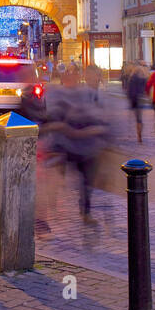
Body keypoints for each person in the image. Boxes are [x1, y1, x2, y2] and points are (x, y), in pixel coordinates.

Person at [43, 64, 111, 224]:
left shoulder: (92, 95)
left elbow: (101, 118)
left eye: (76, 73)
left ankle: (85, 211)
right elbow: (53, 119)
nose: (73, 76)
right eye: (69, 73)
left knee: (87, 178)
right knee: (57, 171)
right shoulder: (61, 94)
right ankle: (52, 198)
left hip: (86, 144)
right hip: (65, 143)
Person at [126, 61, 150, 143]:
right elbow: (146, 88)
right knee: (139, 118)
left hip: (134, 99)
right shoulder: (144, 78)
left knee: (136, 118)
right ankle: (139, 135)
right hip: (140, 98)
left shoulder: (132, 77)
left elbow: (129, 89)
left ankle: (138, 134)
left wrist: (129, 98)